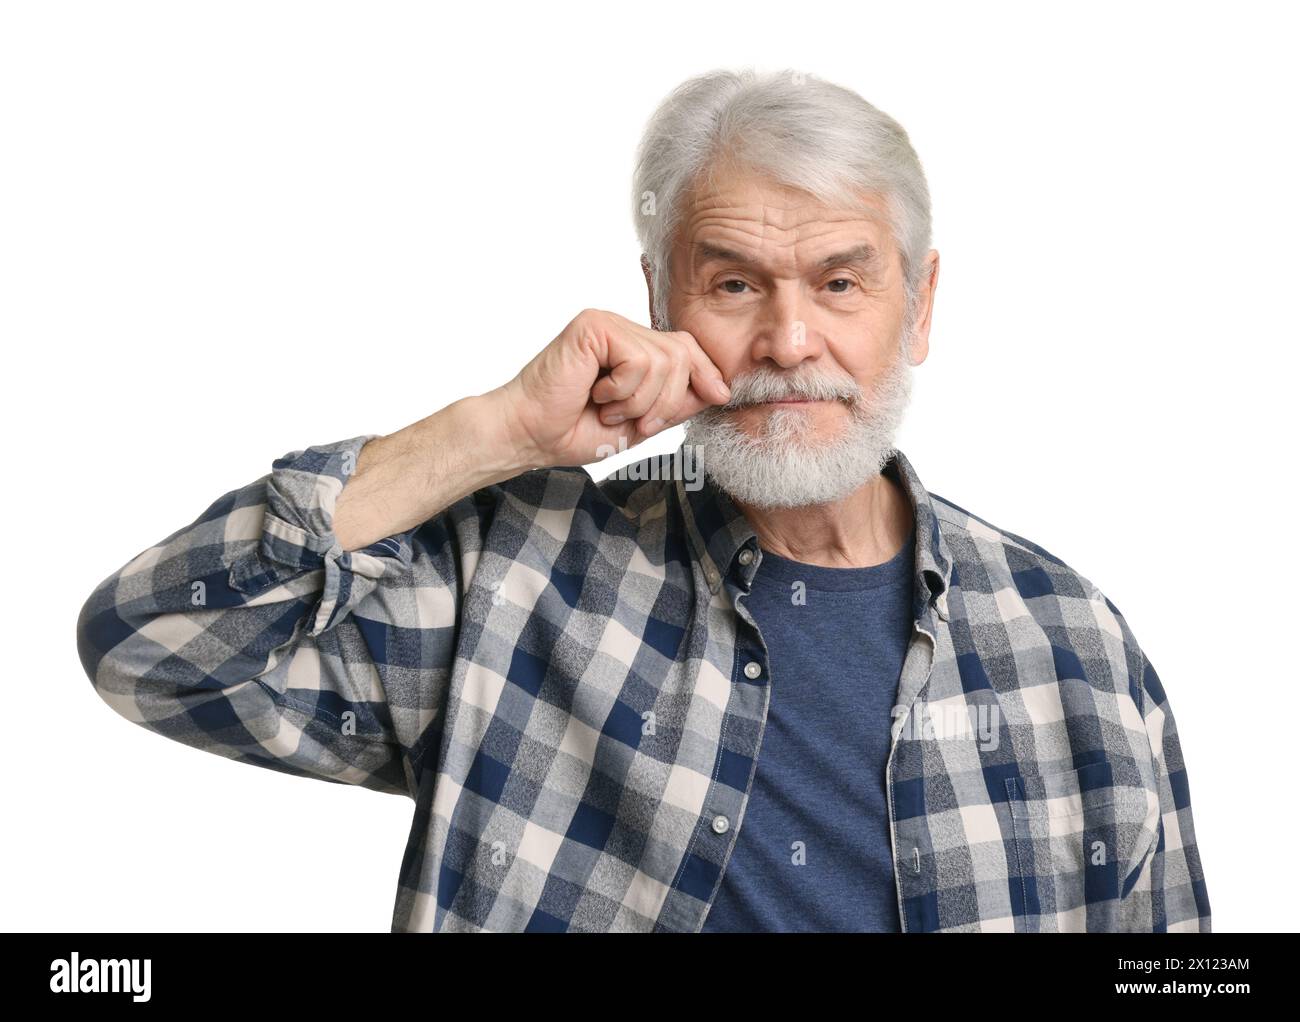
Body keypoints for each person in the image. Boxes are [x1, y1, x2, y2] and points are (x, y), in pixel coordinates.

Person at [76, 68, 1210, 933]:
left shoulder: (1074, 646)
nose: (786, 339)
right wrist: (494, 432)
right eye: (731, 284)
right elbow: (152, 646)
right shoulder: (519, 577)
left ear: (916, 310)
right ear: (658, 299)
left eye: (840, 282)